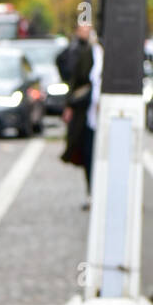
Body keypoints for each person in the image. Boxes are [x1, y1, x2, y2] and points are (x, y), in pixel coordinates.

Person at [60, 21, 96, 203]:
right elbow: (72, 77)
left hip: (92, 111)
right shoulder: (78, 50)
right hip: (86, 111)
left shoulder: (92, 50)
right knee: (87, 152)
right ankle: (91, 191)